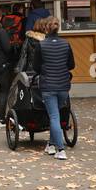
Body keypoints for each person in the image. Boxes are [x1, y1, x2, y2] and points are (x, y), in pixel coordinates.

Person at [35, 16, 75, 161]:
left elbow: (36, 67)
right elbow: (71, 65)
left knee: (54, 117)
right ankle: (51, 145)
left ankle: (60, 149)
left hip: (48, 86)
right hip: (63, 86)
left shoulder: (41, 45)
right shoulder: (66, 44)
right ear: (58, 27)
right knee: (56, 115)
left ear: (46, 28)